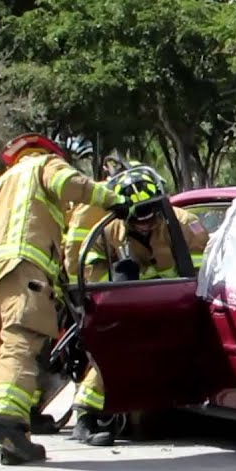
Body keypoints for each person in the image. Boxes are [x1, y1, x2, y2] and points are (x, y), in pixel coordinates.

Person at [0, 133, 128, 464]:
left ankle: (13, 440)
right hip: (22, 271)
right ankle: (6, 420)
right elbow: (69, 184)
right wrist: (111, 199)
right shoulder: (42, 165)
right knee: (21, 345)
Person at [68, 167, 210, 445]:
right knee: (115, 353)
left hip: (178, 306)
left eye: (150, 216)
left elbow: (201, 269)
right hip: (129, 307)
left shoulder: (184, 225)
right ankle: (85, 415)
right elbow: (87, 267)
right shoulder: (110, 228)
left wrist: (149, 278)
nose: (144, 224)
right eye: (138, 220)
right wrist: (116, 278)